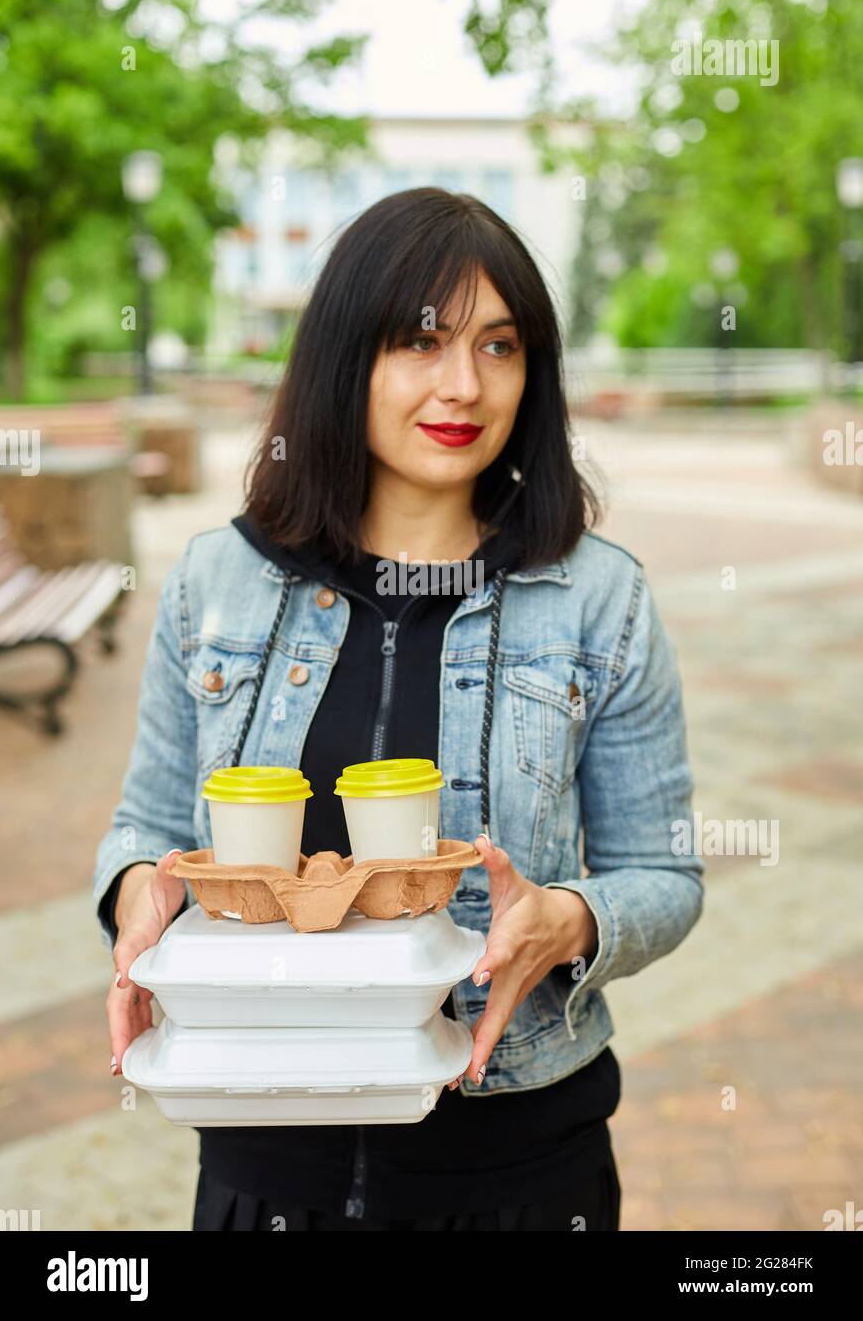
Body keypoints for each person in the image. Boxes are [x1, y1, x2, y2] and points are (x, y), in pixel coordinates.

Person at [94, 187, 704, 1232]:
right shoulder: (215, 584)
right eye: (419, 342)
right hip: (267, 1166)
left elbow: (665, 874)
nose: (462, 384)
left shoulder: (598, 599)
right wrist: (137, 895)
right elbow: (145, 829)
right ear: (347, 357)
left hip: (517, 1164)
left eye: (499, 345)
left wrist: (567, 918)